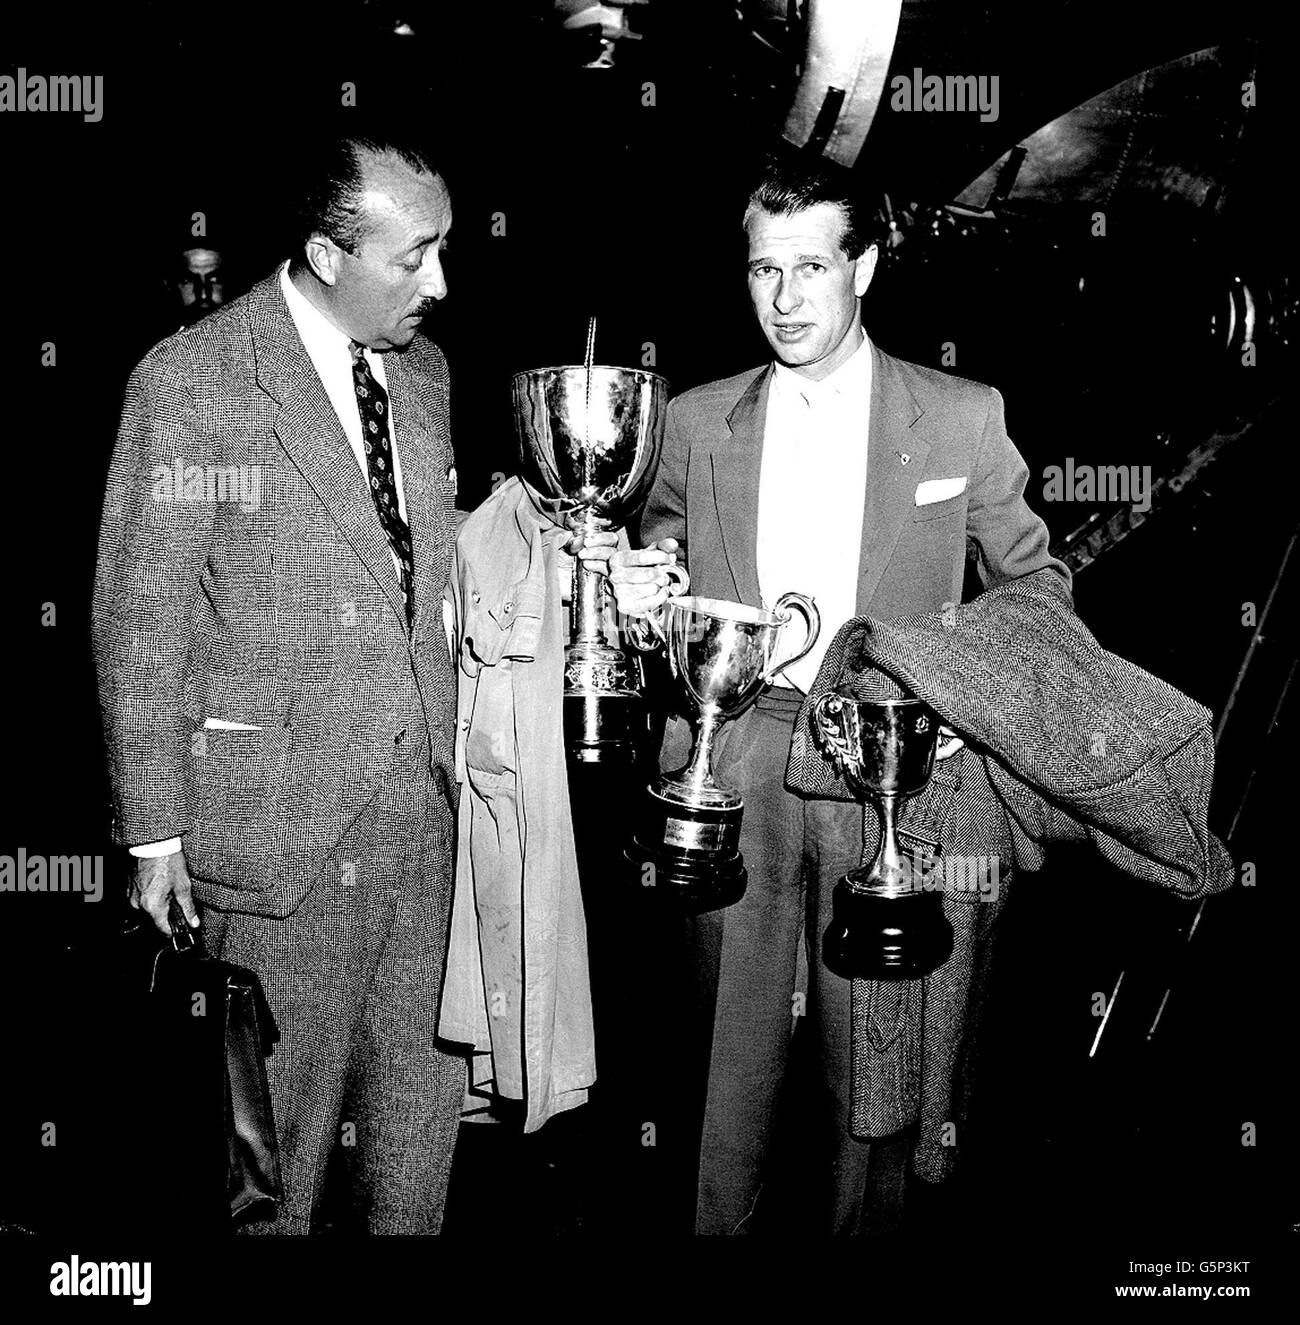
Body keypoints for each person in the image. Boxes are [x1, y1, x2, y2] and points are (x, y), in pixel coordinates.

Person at [583, 156, 1070, 1234]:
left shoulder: (958, 414)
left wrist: (950, 696)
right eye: (764, 269)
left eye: (812, 266)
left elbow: (1036, 585)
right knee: (720, 1059)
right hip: (734, 762)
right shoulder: (698, 418)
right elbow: (655, 555)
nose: (786, 298)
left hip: (885, 764)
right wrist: (639, 588)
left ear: (865, 263)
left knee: (876, 1073)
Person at [92, 133, 465, 1234]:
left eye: (444, 248)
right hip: (275, 845)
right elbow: (139, 616)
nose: (438, 283)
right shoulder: (193, 378)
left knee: (414, 1162)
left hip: (429, 834)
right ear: (323, 251)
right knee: (269, 1181)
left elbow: (421, 574)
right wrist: (153, 835)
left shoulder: (428, 375)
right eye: (414, 257)